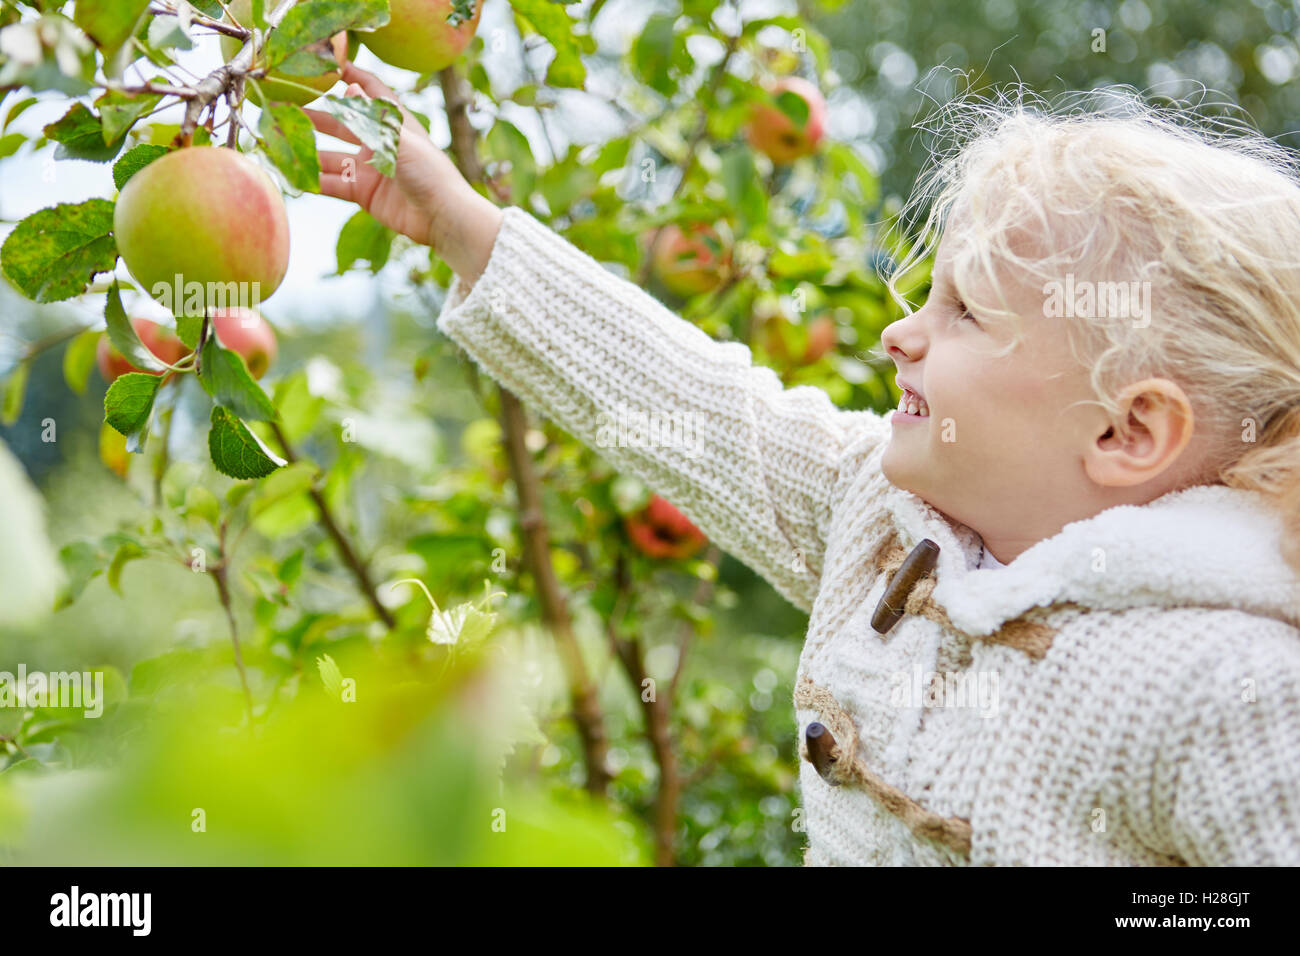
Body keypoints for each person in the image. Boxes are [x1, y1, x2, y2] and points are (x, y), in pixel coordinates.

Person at [307, 64, 1300, 865]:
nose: (900, 334)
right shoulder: (885, 519)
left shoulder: (1224, 686)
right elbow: (689, 404)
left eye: (964, 311)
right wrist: (452, 217)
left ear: (1125, 434)